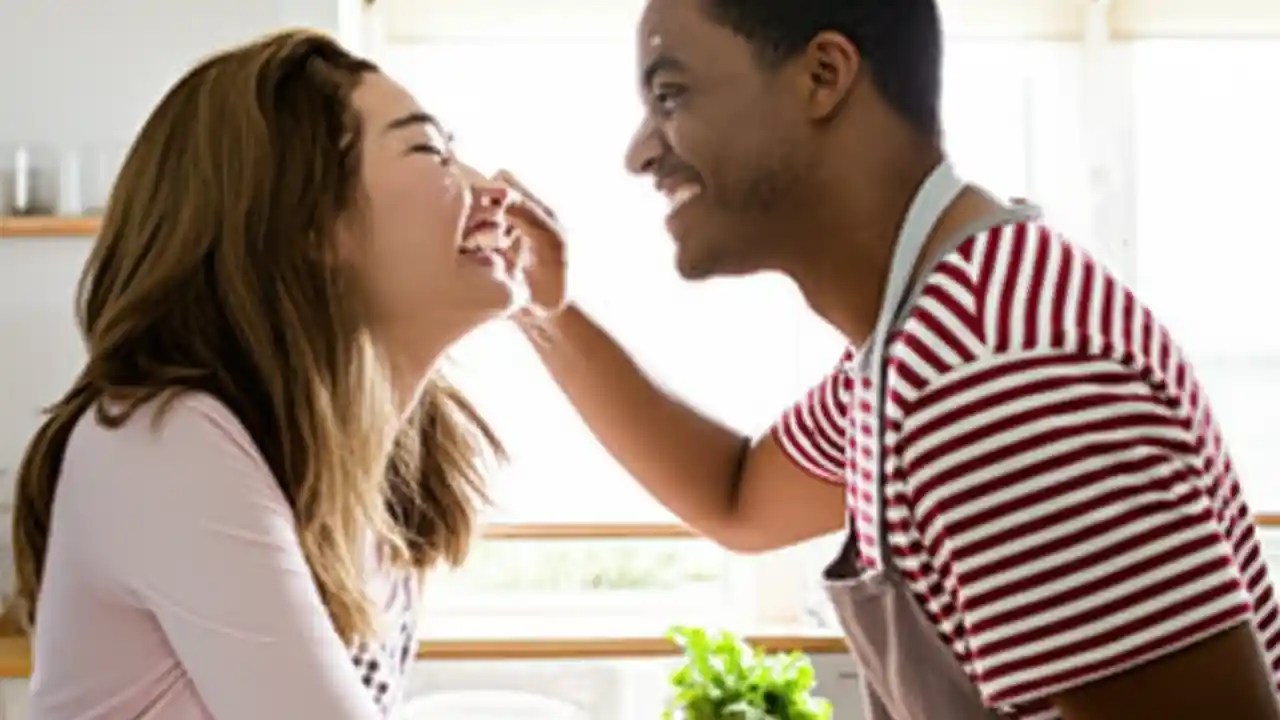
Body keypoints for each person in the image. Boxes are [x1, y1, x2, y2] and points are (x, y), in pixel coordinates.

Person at [506, 0, 1280, 717]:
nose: (640, 153)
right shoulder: (911, 347)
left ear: (823, 76)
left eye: (670, 96)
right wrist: (543, 305)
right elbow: (737, 496)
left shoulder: (994, 372)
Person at [7, 30, 560, 719]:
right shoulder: (167, 441)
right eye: (430, 151)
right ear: (310, 222)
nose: (493, 191)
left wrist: (545, 301)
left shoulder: (376, 471)